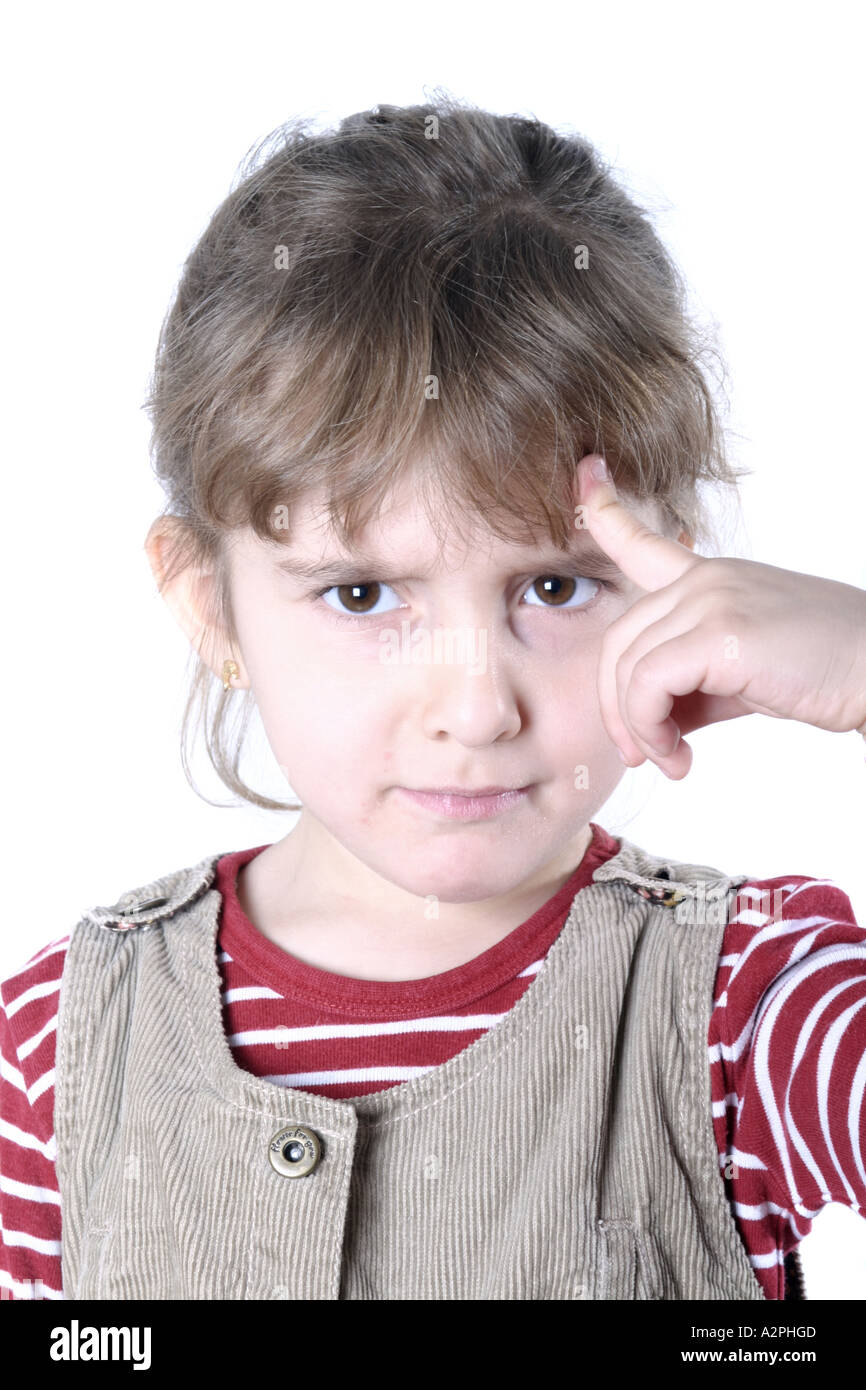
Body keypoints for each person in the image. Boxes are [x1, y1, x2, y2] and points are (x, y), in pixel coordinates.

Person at [2, 95, 865, 1302]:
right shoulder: (58, 1049)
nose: (474, 710)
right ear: (209, 604)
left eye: (556, 585)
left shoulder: (751, 1012)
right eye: (361, 595)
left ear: (681, 573)